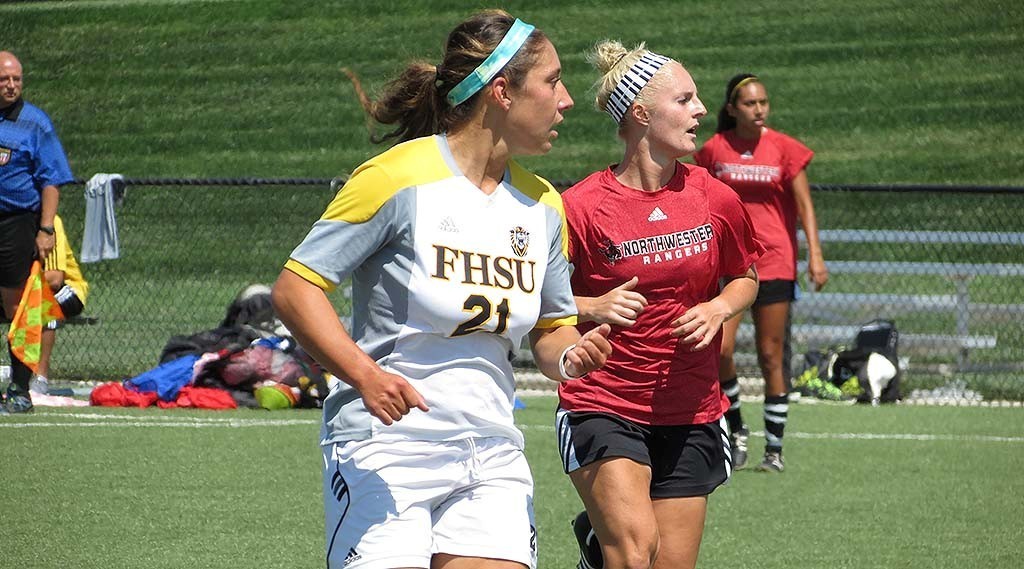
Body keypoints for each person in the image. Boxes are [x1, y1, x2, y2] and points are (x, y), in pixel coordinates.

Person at [271, 11, 612, 569]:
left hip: (491, 451)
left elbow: (552, 330)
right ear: (502, 91)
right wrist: (364, 374)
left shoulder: (545, 205)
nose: (566, 99)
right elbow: (295, 289)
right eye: (552, 81)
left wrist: (574, 356)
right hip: (387, 447)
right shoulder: (395, 178)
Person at [557, 42, 763, 569]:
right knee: (633, 552)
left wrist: (719, 307)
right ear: (642, 114)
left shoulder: (714, 197)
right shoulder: (580, 206)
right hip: (604, 402)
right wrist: (592, 305)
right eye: (685, 99)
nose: (700, 111)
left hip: (692, 408)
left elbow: (745, 276)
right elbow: (538, 300)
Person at [694, 73, 828, 472]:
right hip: (729, 265)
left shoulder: (784, 148)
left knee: (771, 355)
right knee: (720, 349)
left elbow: (804, 206)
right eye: (750, 104)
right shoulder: (715, 149)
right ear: (732, 109)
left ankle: (774, 448)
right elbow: (698, 198)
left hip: (774, 262)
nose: (759, 110)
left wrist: (815, 255)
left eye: (763, 103)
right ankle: (736, 427)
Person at [0, 50, 73, 414]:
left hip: (16, 222)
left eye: (16, 79)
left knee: (19, 308)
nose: (11, 85)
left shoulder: (35, 123)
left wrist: (46, 229)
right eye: (4, 79)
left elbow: (51, 180)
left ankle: (19, 388)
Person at [31, 214, 90, 394]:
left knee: (45, 301)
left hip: (68, 290)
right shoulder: (10, 221)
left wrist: (14, 281)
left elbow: (55, 279)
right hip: (29, 288)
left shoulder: (50, 223)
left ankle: (40, 378)